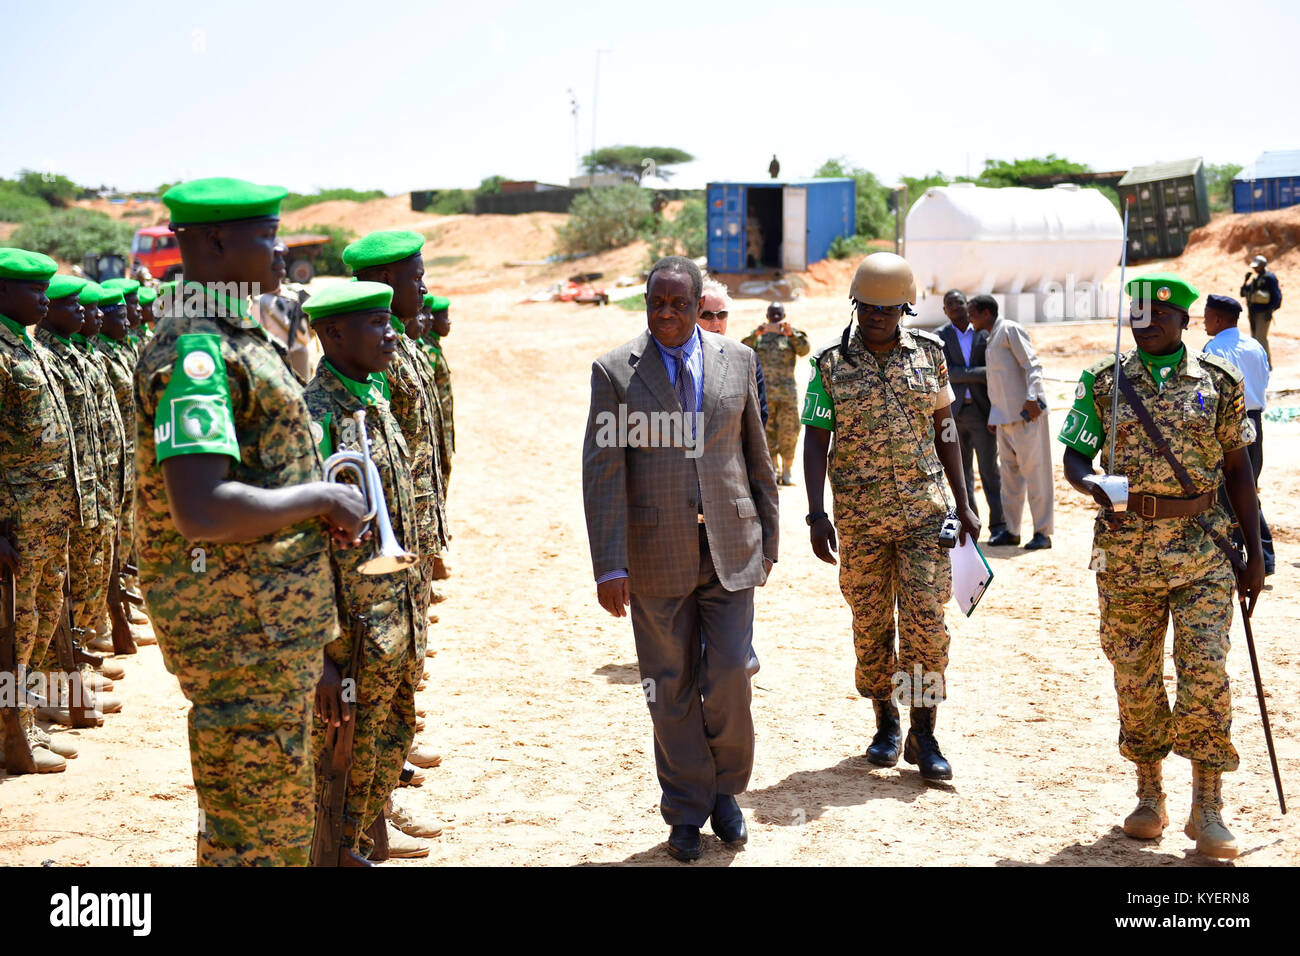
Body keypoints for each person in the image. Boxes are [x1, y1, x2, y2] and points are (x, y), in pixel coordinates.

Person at [134, 176, 369, 865]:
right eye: (265, 234)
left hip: (268, 632)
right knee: (255, 843)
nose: (280, 246)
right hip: (236, 636)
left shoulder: (242, 336)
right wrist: (322, 500)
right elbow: (203, 509)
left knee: (274, 833)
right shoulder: (195, 352)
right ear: (213, 241)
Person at [1058, 272, 1264, 860]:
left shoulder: (1218, 382)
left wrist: (1253, 554)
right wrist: (1091, 482)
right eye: (1137, 314)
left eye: (1159, 316)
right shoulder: (1104, 383)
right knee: (1135, 674)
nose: (1145, 324)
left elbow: (1239, 472)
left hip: (1203, 549)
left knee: (1206, 673)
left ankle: (1209, 804)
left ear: (1183, 321)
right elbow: (1073, 455)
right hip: (1126, 555)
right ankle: (1150, 796)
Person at [582, 255, 778, 862]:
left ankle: (726, 791)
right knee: (668, 688)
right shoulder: (615, 371)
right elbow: (603, 473)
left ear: (699, 307)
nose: (666, 313)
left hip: (730, 546)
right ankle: (687, 810)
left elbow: (756, 456)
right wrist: (610, 565)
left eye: (678, 303)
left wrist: (769, 537)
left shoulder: (739, 361)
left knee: (728, 678)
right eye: (655, 303)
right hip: (654, 553)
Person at [801, 252, 979, 781]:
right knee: (871, 626)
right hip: (860, 522)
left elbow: (946, 430)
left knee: (926, 627)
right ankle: (885, 722)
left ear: (905, 307)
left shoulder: (930, 355)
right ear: (855, 304)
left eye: (887, 309)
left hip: (926, 515)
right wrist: (815, 514)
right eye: (868, 308)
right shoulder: (830, 364)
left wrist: (966, 503)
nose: (877, 317)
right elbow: (815, 440)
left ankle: (924, 733)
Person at [303, 281, 430, 859]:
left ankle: (354, 846)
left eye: (388, 320)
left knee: (387, 742)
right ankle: (337, 852)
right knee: (338, 762)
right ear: (331, 334)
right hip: (349, 638)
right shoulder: (315, 417)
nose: (390, 333)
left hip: (393, 626)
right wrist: (321, 658)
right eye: (374, 324)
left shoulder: (373, 400)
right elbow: (297, 552)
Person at [0, 248, 79, 775]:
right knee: (13, 632)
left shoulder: (29, 347)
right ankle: (13, 737)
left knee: (39, 623)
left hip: (48, 519)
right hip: (15, 523)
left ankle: (26, 723)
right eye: (34, 290)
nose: (44, 299)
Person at [966, 295, 1053, 550]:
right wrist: (995, 416)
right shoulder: (991, 337)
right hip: (1004, 420)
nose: (969, 319)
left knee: (1037, 476)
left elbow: (1033, 366)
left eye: (972, 313)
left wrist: (1031, 399)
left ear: (986, 312)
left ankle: (1042, 533)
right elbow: (999, 383)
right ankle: (1012, 531)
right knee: (1009, 479)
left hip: (1027, 416)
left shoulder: (1010, 329)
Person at [1202, 293, 1274, 575]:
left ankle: (1246, 557)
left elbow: (1204, 392)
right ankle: (1262, 558)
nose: (1204, 322)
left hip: (1227, 425)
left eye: (1207, 317)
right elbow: (1264, 380)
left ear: (1219, 319)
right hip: (1255, 421)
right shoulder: (1255, 346)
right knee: (1247, 488)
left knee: (1227, 494)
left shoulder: (1213, 348)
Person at [936, 289, 1005, 542]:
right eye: (949, 304)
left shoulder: (984, 332)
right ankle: (971, 525)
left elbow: (994, 370)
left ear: (967, 305)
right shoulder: (939, 337)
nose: (955, 307)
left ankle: (999, 525)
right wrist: (975, 372)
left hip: (981, 412)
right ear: (944, 310)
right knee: (962, 475)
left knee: (990, 471)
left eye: (959, 302)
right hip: (952, 415)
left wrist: (961, 371)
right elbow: (946, 374)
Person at [742, 302, 809, 485]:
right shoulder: (759, 336)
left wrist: (791, 335)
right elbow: (742, 349)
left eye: (779, 314)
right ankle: (773, 469)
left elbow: (805, 350)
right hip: (765, 396)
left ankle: (787, 470)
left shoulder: (791, 334)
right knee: (767, 433)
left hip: (787, 395)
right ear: (767, 315)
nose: (776, 318)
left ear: (784, 315)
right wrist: (756, 334)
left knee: (789, 433)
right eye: (773, 314)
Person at [699, 278, 767, 425]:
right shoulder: (677, 358)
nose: (716, 322)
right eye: (707, 315)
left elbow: (759, 415)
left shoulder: (746, 359)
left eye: (722, 314)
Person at [1240, 255, 1282, 366]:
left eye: (1256, 266)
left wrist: (1271, 310)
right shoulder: (1256, 279)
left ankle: (1266, 364)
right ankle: (1258, 363)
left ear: (1262, 266)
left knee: (1261, 338)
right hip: (1253, 313)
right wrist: (1245, 281)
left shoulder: (1270, 278)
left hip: (1263, 313)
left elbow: (1277, 296)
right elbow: (1243, 293)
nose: (1254, 269)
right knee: (1254, 338)